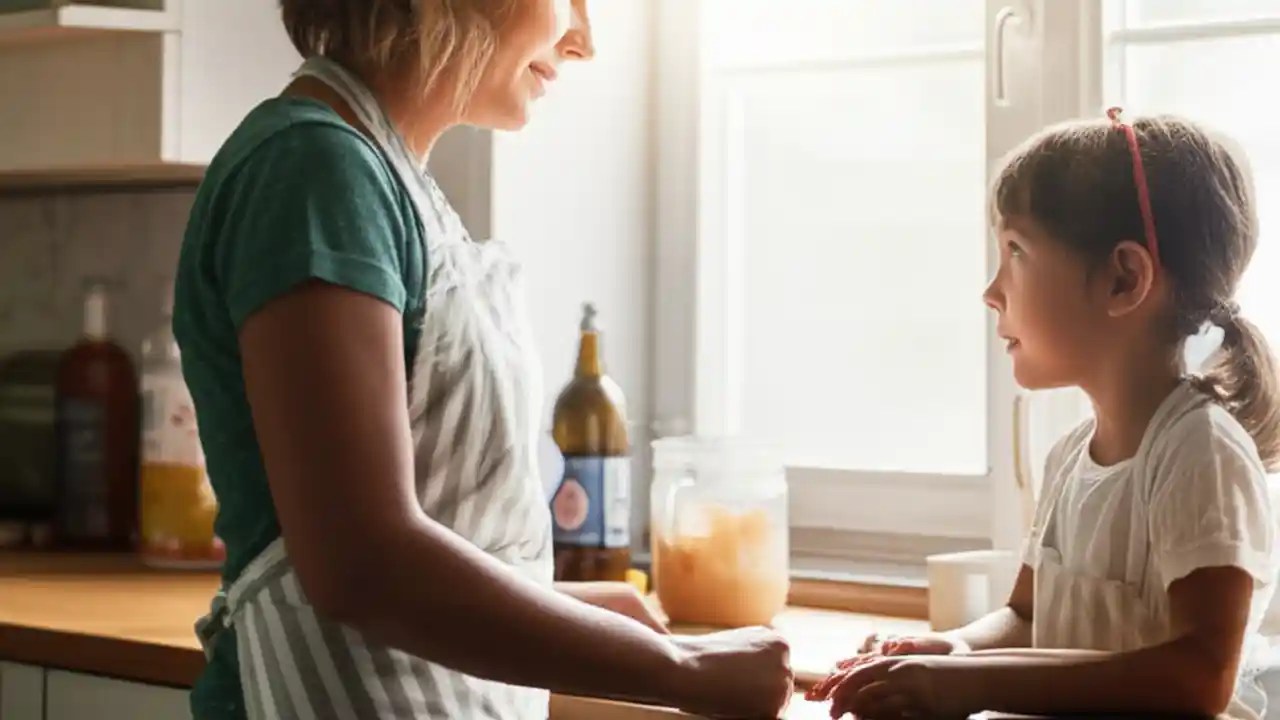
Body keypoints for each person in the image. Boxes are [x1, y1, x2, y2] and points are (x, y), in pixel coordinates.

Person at [173, 1, 793, 718]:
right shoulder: (313, 170)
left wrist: (573, 607)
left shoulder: (380, 174)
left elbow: (415, 526)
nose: (583, 41)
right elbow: (362, 564)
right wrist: (674, 667)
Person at [808, 110, 1280, 719]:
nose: (990, 290)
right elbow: (1027, 618)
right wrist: (956, 649)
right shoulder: (1070, 456)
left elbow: (1198, 679)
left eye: (1015, 252)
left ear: (1123, 278)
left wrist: (970, 686)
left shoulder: (1200, 455)